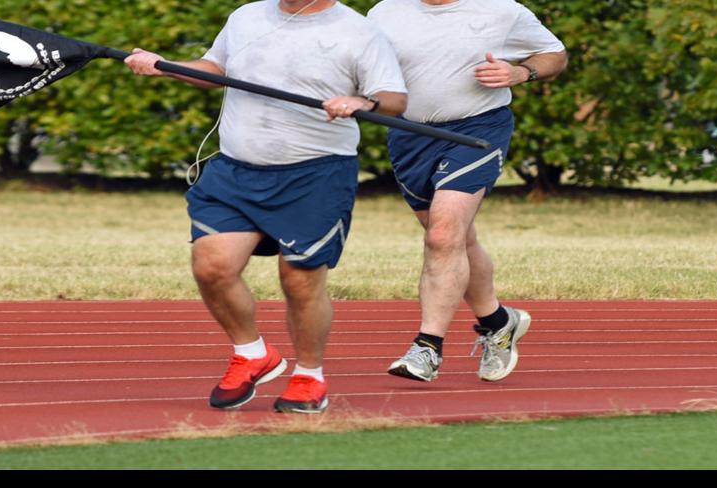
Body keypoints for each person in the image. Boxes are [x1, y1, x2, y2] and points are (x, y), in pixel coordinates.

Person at [125, 0, 406, 412]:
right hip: (235, 170)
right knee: (212, 267)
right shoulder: (246, 16)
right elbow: (215, 69)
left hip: (315, 175)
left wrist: (363, 103)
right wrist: (165, 65)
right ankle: (252, 353)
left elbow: (394, 98)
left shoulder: (358, 31)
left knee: (299, 281)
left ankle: (309, 375)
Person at [365, 0, 566, 383]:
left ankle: (427, 347)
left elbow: (554, 55)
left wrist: (521, 72)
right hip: (410, 135)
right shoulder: (384, 12)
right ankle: (498, 322)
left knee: (443, 235)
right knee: (455, 239)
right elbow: (359, 70)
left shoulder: (501, 10)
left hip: (477, 130)